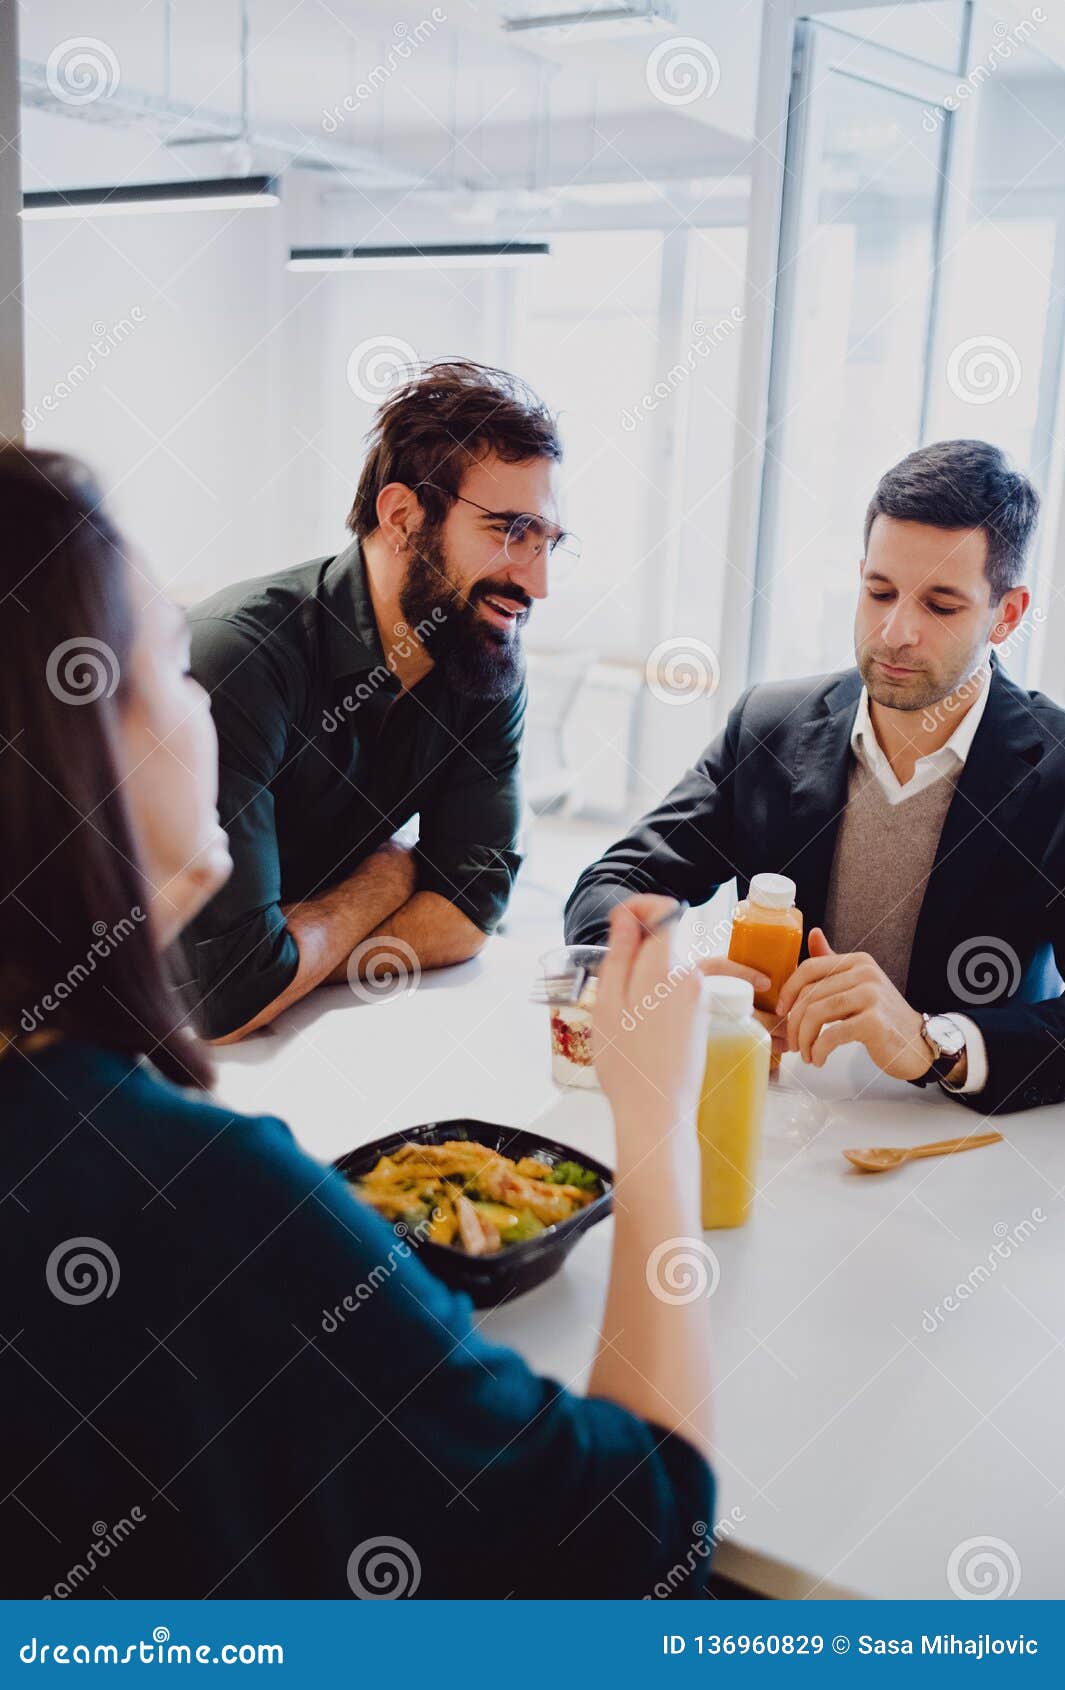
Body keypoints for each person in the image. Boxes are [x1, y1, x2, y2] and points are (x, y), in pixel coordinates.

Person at [0, 446, 716, 1599]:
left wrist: (333, 924)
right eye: (173, 666)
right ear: (80, 748)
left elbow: (471, 893)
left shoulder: (485, 659)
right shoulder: (203, 1200)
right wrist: (660, 1127)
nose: (203, 695)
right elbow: (632, 1535)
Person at [567, 439, 1065, 1116]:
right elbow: (610, 886)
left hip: (957, 1145)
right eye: (879, 592)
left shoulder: (1055, 767)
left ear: (1005, 613)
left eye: (940, 606)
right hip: (770, 1115)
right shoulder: (771, 725)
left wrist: (934, 1042)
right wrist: (674, 982)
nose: (894, 632)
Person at [181, 360, 576, 1042]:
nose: (535, 584)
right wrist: (390, 877)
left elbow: (469, 910)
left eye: (547, 544)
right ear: (401, 515)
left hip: (306, 1031)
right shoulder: (239, 659)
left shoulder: (478, 657)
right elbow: (220, 1000)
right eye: (509, 533)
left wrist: (289, 962)